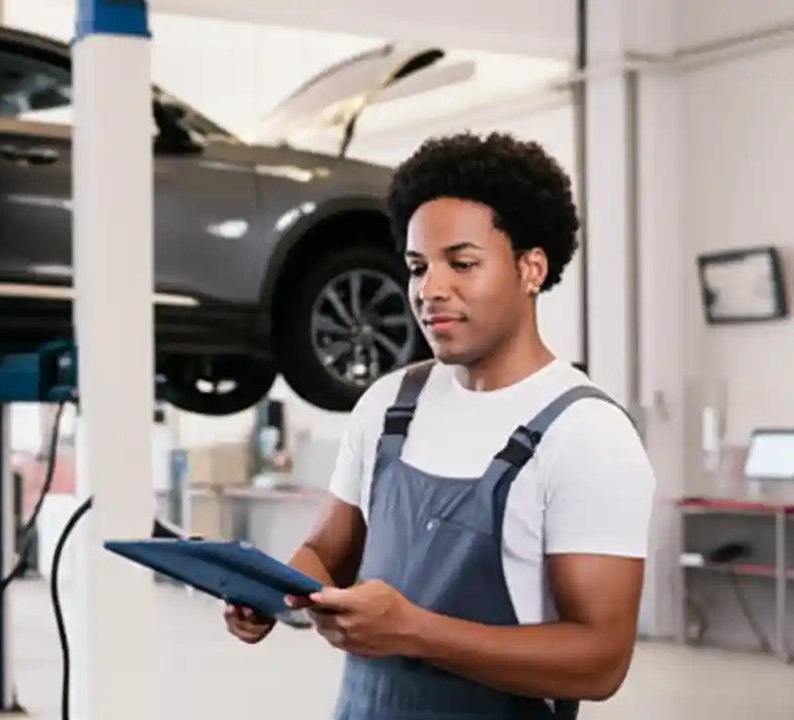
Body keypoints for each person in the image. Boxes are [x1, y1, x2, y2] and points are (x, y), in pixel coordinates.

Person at [224, 132, 656, 718]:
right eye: (418, 267)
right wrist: (270, 594)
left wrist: (415, 631)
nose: (430, 289)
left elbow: (600, 660)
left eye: (462, 263)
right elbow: (327, 553)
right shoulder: (387, 405)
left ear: (532, 268)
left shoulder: (587, 435)